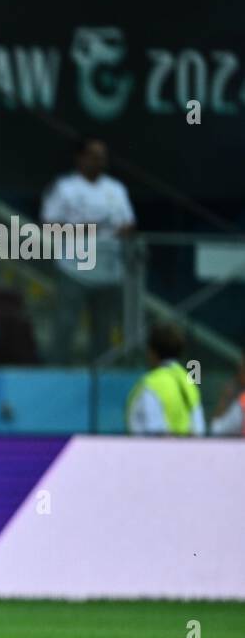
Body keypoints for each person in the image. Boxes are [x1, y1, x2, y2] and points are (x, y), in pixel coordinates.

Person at [41, 137, 136, 363]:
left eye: (102, 157)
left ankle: (99, 376)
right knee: (65, 326)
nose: (99, 161)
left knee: (104, 330)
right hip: (74, 269)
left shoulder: (116, 189)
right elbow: (47, 225)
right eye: (94, 156)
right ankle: (57, 373)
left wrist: (122, 230)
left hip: (109, 271)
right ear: (80, 158)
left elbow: (130, 223)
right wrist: (81, 229)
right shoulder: (65, 187)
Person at [125, 323, 204, 436]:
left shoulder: (150, 385)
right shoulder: (190, 383)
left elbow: (148, 431)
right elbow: (198, 429)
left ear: (152, 352)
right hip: (187, 452)